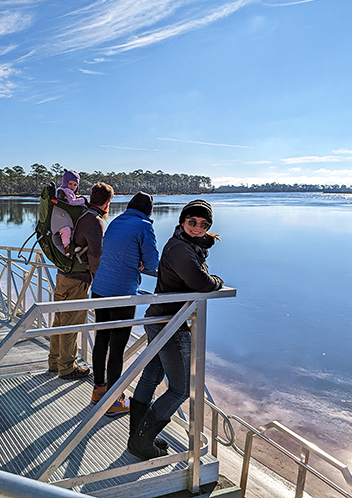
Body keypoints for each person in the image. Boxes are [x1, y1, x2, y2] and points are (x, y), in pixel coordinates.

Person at [127, 199, 224, 459]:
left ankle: (138, 436)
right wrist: (218, 281)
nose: (197, 228)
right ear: (182, 221)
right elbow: (199, 282)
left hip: (160, 319)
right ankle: (142, 441)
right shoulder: (181, 248)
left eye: (203, 225)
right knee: (180, 389)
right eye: (192, 222)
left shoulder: (186, 245)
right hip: (171, 322)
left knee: (151, 377)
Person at [89, 192, 159, 416]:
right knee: (118, 346)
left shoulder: (116, 221)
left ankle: (98, 390)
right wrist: (139, 262)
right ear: (149, 210)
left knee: (102, 339)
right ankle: (113, 400)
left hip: (99, 289)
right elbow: (152, 262)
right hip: (121, 293)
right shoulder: (143, 226)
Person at [48, 181, 114, 379]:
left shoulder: (82, 213)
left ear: (91, 197)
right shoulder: (94, 221)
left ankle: (55, 362)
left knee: (59, 320)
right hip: (77, 279)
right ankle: (67, 368)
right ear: (108, 202)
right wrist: (99, 281)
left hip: (63, 274)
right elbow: (96, 256)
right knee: (72, 323)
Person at [56, 169, 86, 254]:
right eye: (70, 184)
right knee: (67, 230)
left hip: (63, 217)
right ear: (65, 183)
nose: (72, 186)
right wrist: (83, 200)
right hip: (60, 220)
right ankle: (66, 247)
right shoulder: (66, 191)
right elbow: (72, 202)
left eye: (75, 185)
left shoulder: (65, 191)